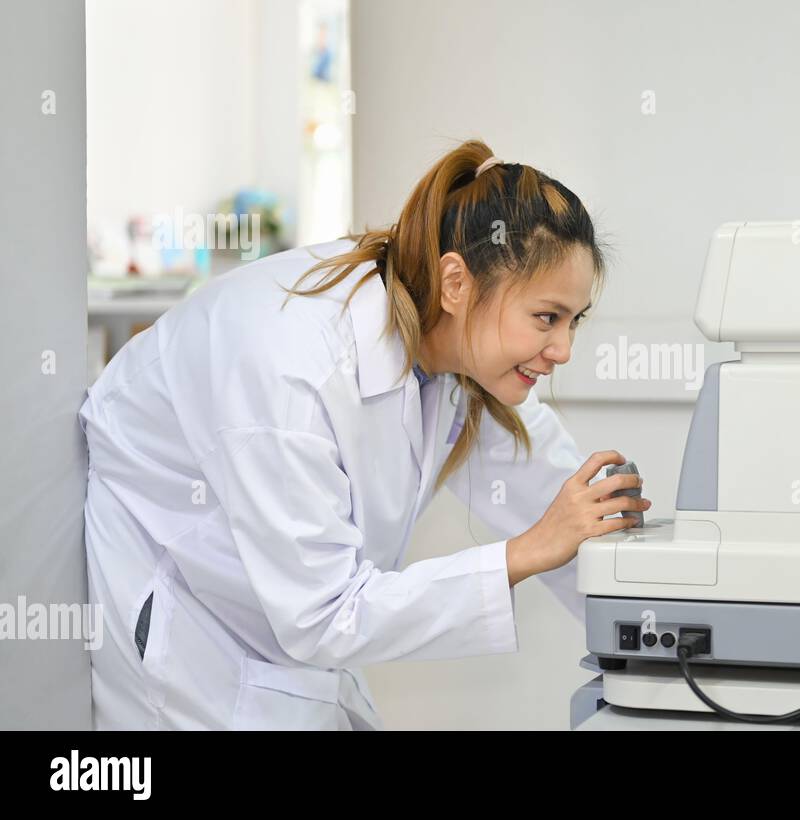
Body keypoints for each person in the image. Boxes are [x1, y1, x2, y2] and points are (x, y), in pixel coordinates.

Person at [80, 140, 651, 729]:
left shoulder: (455, 345)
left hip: (287, 640)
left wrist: (661, 623)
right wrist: (523, 554)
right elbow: (322, 615)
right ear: (457, 284)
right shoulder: (292, 366)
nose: (562, 350)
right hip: (193, 640)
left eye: (573, 321)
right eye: (546, 317)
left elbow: (560, 502)